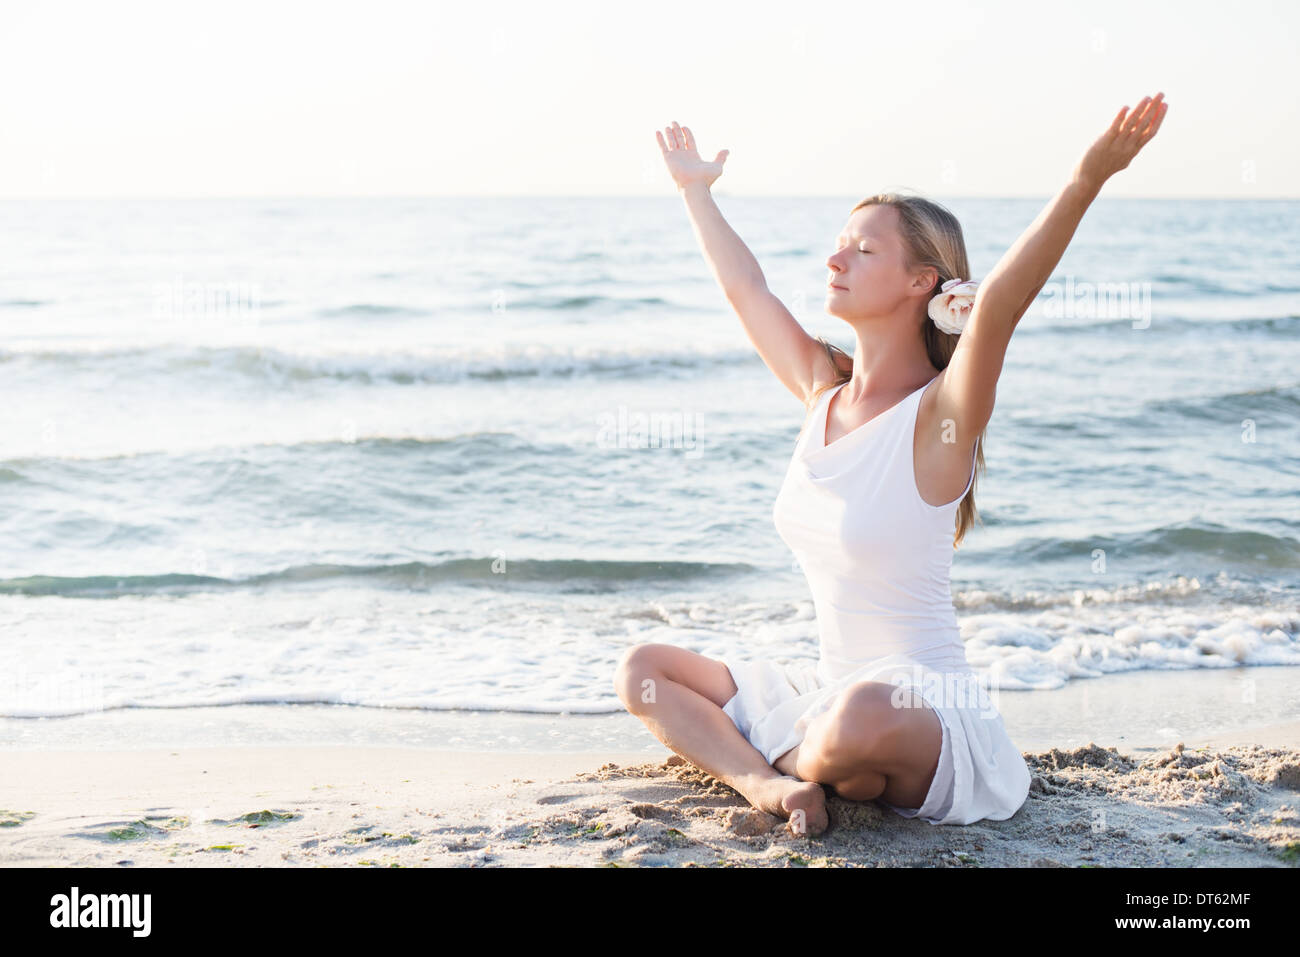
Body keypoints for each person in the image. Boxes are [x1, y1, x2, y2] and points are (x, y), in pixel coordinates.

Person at [614, 95, 1169, 836]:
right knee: (644, 671)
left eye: (864, 250)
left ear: (922, 283)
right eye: (840, 243)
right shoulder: (821, 390)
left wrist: (1086, 177)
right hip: (830, 689)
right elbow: (745, 288)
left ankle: (809, 759)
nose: (834, 259)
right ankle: (768, 784)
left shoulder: (941, 417)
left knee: (861, 720)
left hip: (918, 705)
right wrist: (695, 192)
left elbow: (1001, 305)